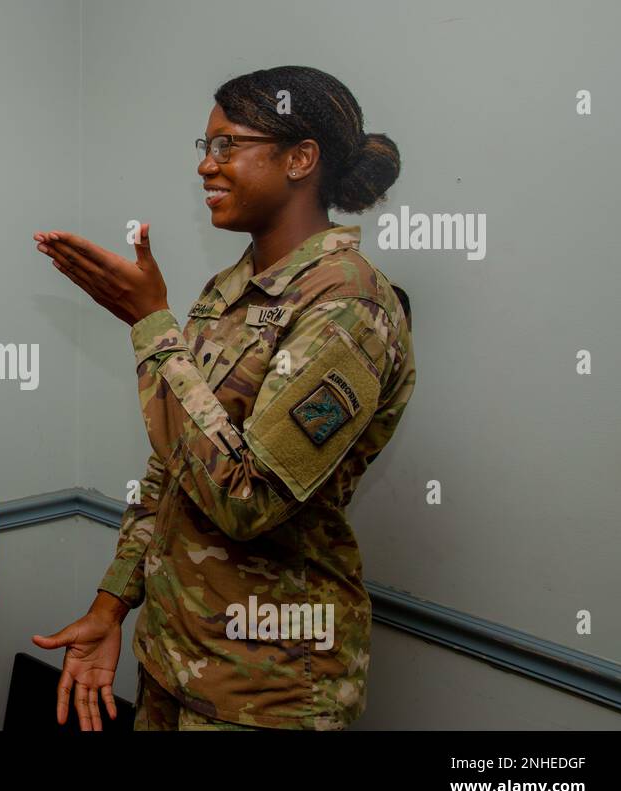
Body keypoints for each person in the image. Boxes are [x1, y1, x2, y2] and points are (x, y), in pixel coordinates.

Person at [33, 66, 415, 731]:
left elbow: (247, 497)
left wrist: (151, 322)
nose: (206, 167)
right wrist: (111, 604)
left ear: (301, 159)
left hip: (268, 689)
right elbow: (172, 464)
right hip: (174, 659)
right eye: (203, 147)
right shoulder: (227, 289)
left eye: (227, 145)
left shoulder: (348, 303)